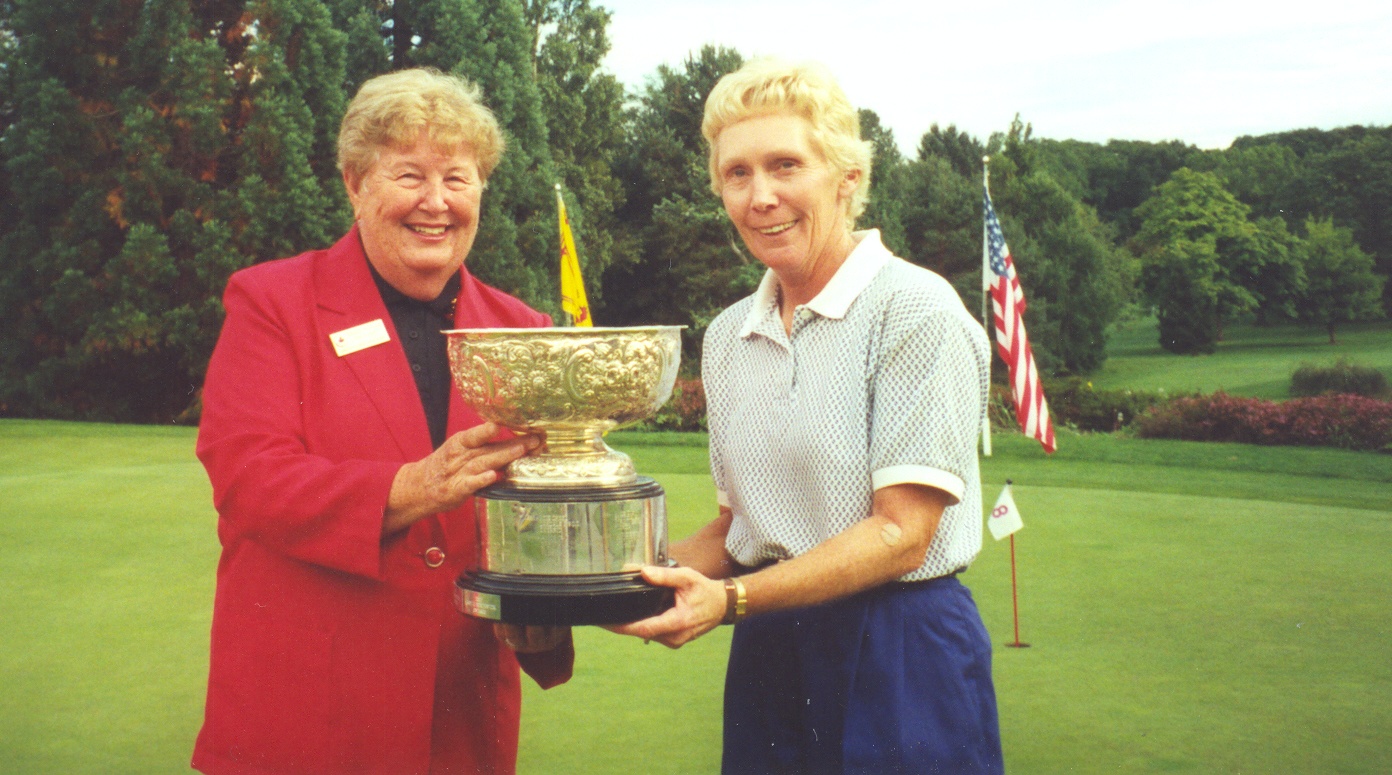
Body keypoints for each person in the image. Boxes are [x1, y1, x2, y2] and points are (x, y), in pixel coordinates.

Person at [611, 59, 1004, 774]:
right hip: (768, 644)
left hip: (901, 647)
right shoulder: (730, 333)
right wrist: (605, 587)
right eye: (737, 174)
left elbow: (899, 534)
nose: (761, 196)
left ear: (846, 177)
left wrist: (728, 600)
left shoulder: (916, 309)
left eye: (785, 165)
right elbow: (739, 528)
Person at [192, 68, 572, 775]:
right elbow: (248, 476)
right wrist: (412, 486)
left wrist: (556, 593)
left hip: (461, 715)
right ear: (354, 184)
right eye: (408, 175)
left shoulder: (523, 329)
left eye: (458, 178)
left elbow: (539, 507)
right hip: (308, 714)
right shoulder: (273, 301)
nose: (436, 202)